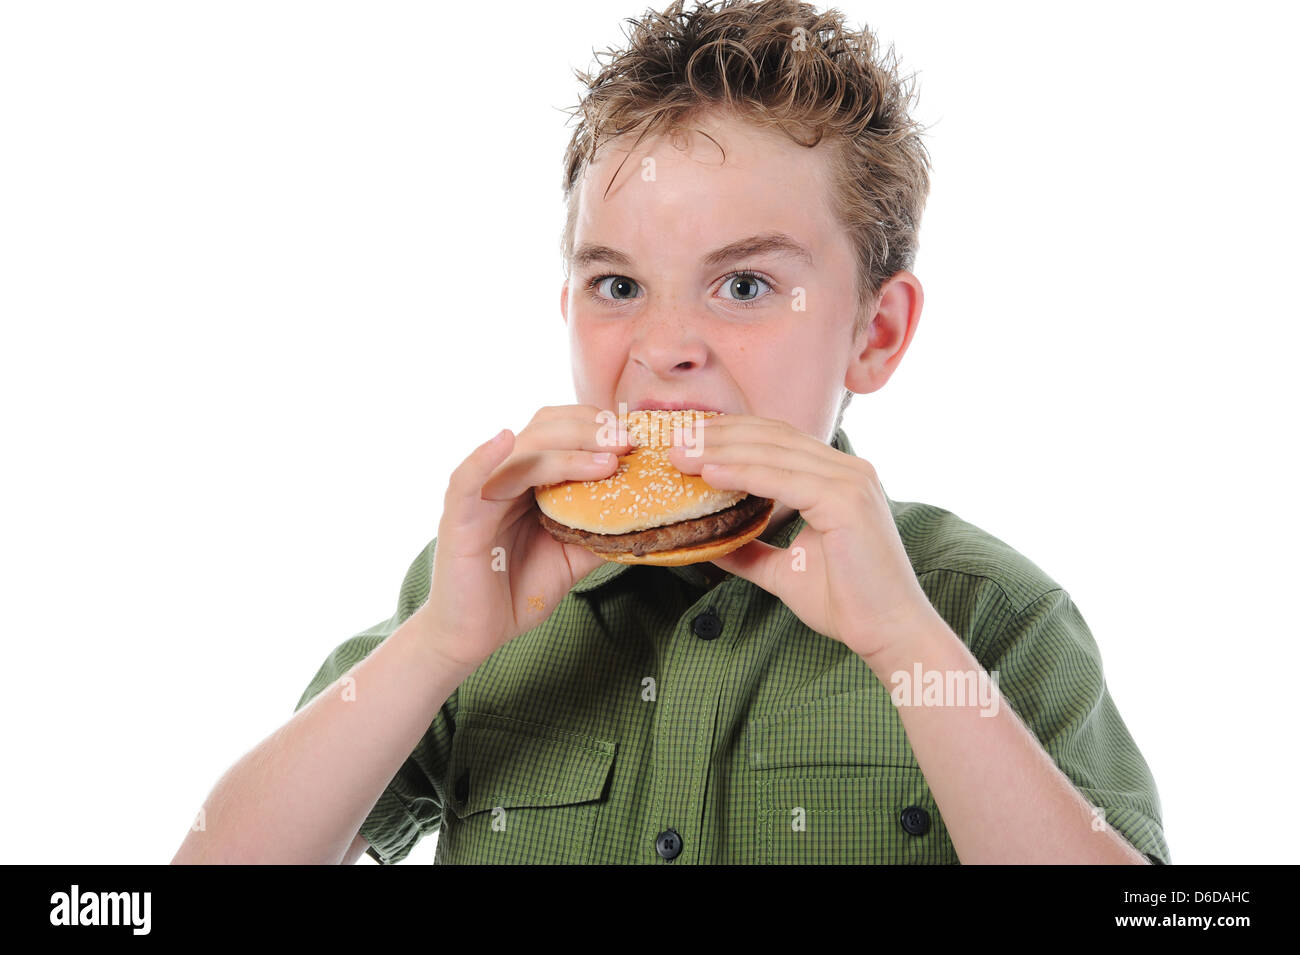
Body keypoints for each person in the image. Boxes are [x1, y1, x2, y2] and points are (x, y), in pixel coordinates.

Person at [172, 0, 1169, 865]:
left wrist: (908, 642)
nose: (663, 347)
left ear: (874, 333)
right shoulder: (473, 596)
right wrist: (437, 644)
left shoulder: (987, 612)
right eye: (617, 286)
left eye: (742, 285)